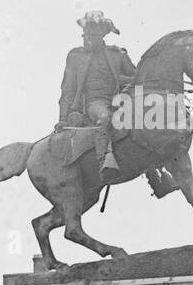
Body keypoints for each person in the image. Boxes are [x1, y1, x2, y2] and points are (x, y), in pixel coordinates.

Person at [56, 10, 136, 181]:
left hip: (120, 101)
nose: (89, 38)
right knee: (104, 117)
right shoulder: (75, 56)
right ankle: (104, 162)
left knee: (145, 121)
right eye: (87, 34)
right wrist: (63, 118)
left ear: (102, 35)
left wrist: (127, 84)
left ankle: (158, 177)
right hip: (93, 103)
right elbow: (68, 89)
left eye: (94, 34)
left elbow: (138, 79)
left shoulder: (118, 55)